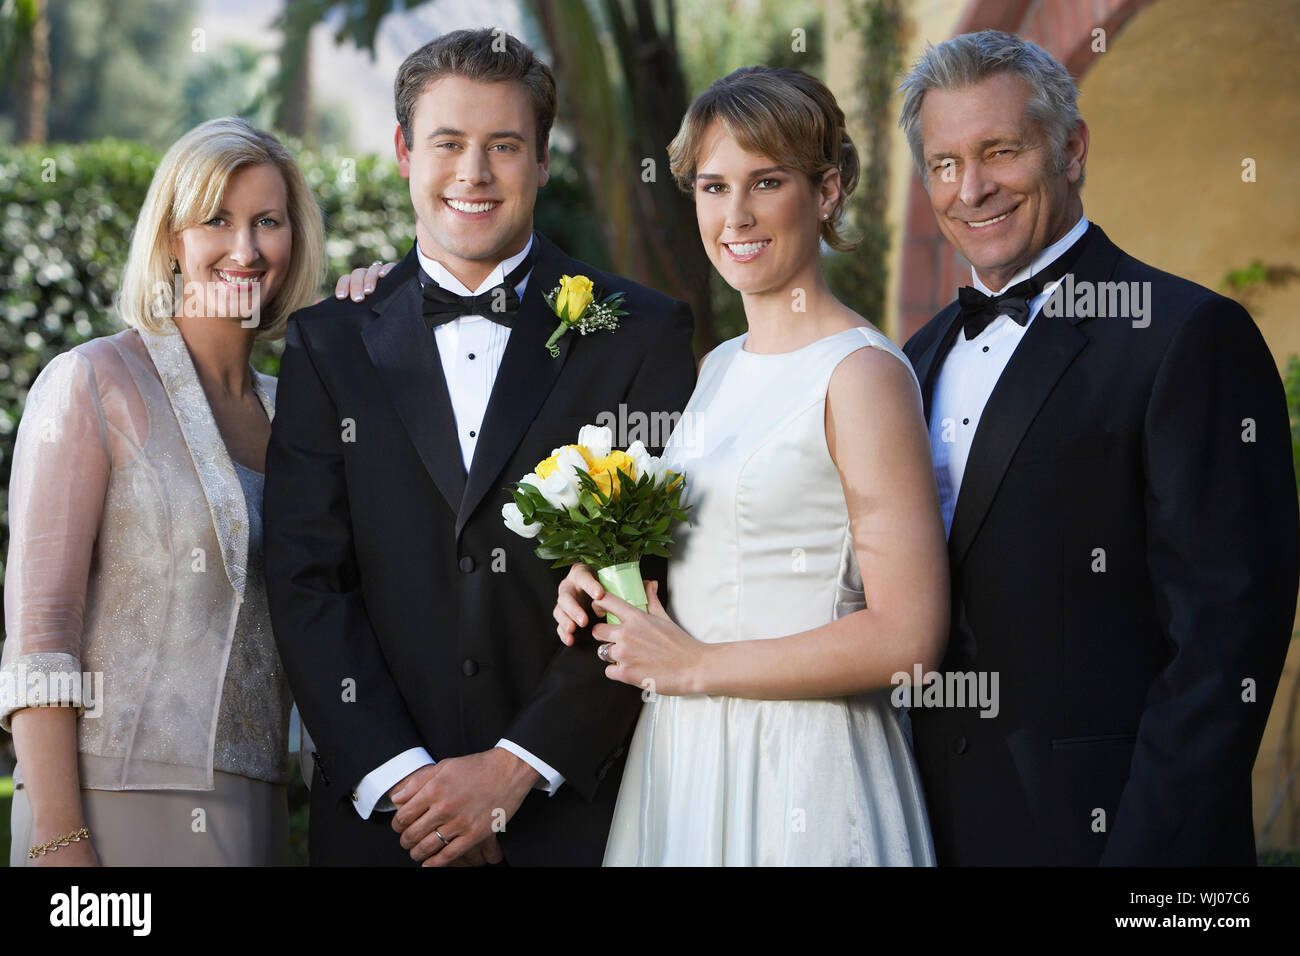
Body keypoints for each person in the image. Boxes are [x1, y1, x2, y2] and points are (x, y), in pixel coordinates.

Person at [263, 28, 696, 867]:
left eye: (504, 145)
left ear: (540, 159)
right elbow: (305, 578)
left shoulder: (639, 333)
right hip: (385, 827)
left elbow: (654, 571)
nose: (474, 172)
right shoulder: (328, 343)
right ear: (402, 151)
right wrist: (401, 781)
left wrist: (515, 769)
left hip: (572, 820)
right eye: (448, 143)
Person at [894, 30, 1298, 865]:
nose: (970, 189)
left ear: (1070, 147)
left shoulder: (1188, 337)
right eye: (942, 163)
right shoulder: (909, 360)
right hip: (925, 831)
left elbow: (1224, 647)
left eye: (1000, 151)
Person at [554, 66, 950, 865]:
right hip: (685, 756)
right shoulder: (719, 367)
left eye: (765, 182)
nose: (734, 215)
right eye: (712, 186)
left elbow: (909, 637)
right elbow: (722, 553)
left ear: (827, 190)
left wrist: (699, 666)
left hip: (800, 762)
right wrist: (603, 572)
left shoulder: (861, 375)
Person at [0, 117, 327, 866]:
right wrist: (57, 842)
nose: (244, 250)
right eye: (216, 220)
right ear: (173, 240)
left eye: (267, 222)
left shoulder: (304, 415)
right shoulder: (91, 382)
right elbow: (41, 631)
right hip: (109, 811)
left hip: (259, 811)